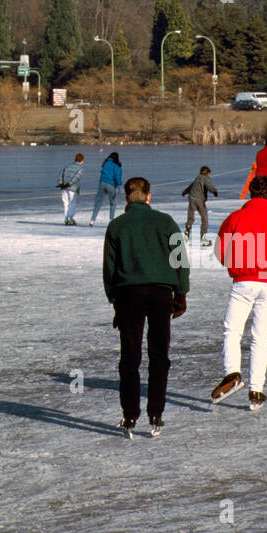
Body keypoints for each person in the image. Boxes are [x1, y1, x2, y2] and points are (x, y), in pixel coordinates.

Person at [102, 176, 189, 437]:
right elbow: (180, 259)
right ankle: (156, 412)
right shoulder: (165, 222)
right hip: (161, 294)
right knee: (159, 355)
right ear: (149, 196)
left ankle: (130, 415)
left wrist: (114, 300)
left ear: (126, 197)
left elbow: (110, 269)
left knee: (129, 357)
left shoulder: (116, 226)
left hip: (128, 295)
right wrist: (181, 292)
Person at [211, 175, 267, 411]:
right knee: (260, 337)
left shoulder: (236, 218)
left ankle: (232, 373)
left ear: (251, 192)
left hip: (243, 281)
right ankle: (256, 390)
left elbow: (220, 250)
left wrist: (236, 262)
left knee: (233, 330)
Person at [183, 165, 219, 243]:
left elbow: (191, 186)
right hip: (199, 200)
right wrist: (214, 191)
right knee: (204, 218)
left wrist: (185, 191)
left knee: (191, 217)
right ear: (208, 172)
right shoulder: (206, 178)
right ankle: (203, 237)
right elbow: (209, 186)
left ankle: (187, 232)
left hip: (192, 198)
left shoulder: (197, 178)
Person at [89, 151, 123, 226]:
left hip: (102, 183)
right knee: (113, 203)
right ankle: (111, 220)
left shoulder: (105, 163)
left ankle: (92, 220)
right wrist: (119, 186)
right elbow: (117, 177)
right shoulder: (117, 166)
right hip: (111, 185)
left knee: (98, 203)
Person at [57, 153, 85, 225]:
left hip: (64, 188)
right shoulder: (80, 168)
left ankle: (66, 218)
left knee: (66, 203)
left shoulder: (67, 167)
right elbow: (76, 178)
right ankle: (70, 218)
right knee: (72, 203)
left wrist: (61, 183)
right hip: (72, 188)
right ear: (82, 160)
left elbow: (61, 175)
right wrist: (69, 184)